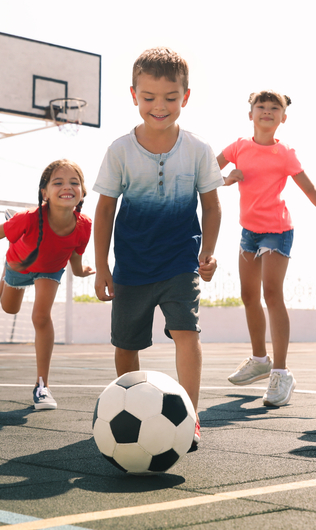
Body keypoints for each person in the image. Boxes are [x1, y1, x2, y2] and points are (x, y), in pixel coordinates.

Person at [93, 47, 222, 451]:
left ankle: (191, 419)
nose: (159, 106)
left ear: (185, 96)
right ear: (134, 95)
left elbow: (212, 205)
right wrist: (101, 266)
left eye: (169, 97)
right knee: (126, 344)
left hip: (180, 261)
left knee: (187, 331)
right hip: (132, 264)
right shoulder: (120, 150)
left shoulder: (198, 150)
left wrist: (209, 252)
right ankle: (125, 407)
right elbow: (105, 210)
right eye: (149, 98)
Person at [0, 159, 93, 410]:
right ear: (44, 193)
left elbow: (75, 253)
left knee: (41, 317)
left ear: (82, 192)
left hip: (50, 269)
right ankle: (9, 261)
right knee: (10, 309)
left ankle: (41, 385)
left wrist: (81, 272)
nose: (67, 187)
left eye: (74, 183)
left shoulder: (84, 224)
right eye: (58, 182)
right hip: (18, 265)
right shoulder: (30, 218)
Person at [217, 90, 316, 406]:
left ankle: (281, 373)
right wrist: (226, 178)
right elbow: (206, 172)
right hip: (249, 232)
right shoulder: (238, 147)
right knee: (248, 296)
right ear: (250, 114)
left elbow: (309, 187)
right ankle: (260, 359)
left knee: (271, 294)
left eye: (274, 108)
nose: (267, 111)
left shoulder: (284, 154)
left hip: (277, 230)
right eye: (261, 107)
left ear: (283, 117)